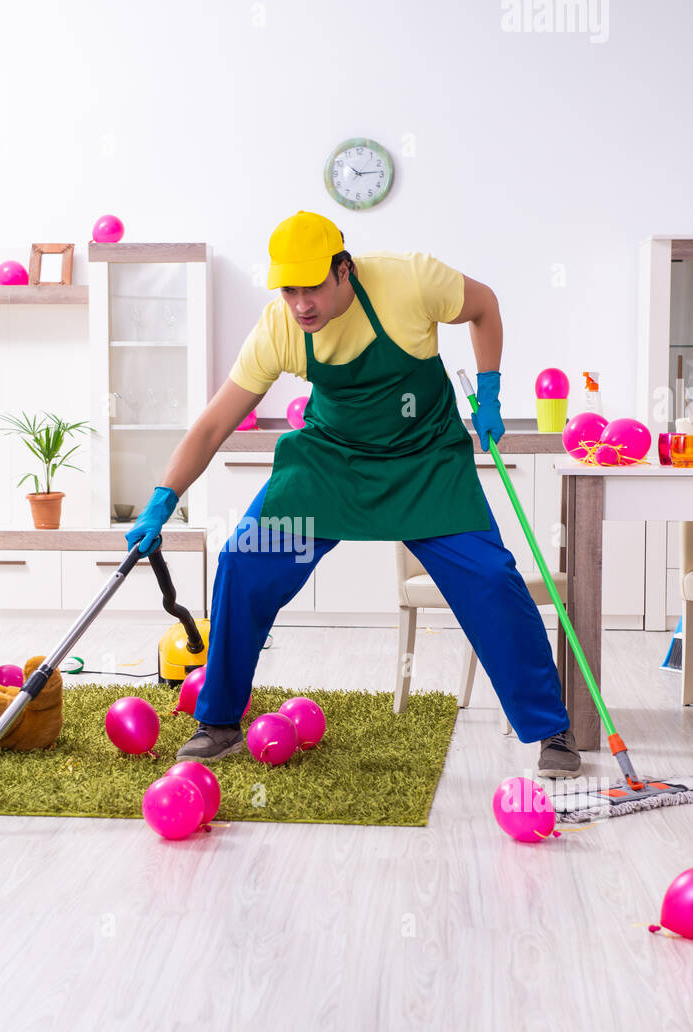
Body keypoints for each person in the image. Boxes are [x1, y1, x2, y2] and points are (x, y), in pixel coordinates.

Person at [127, 210, 581, 778]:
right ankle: (219, 721)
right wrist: (162, 498)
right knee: (244, 563)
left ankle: (550, 729)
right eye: (289, 290)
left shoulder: (411, 281)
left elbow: (485, 305)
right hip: (331, 465)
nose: (301, 304)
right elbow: (214, 424)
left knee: (491, 579)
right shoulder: (280, 327)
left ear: (344, 269)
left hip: (426, 462)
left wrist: (488, 386)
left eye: (312, 286)